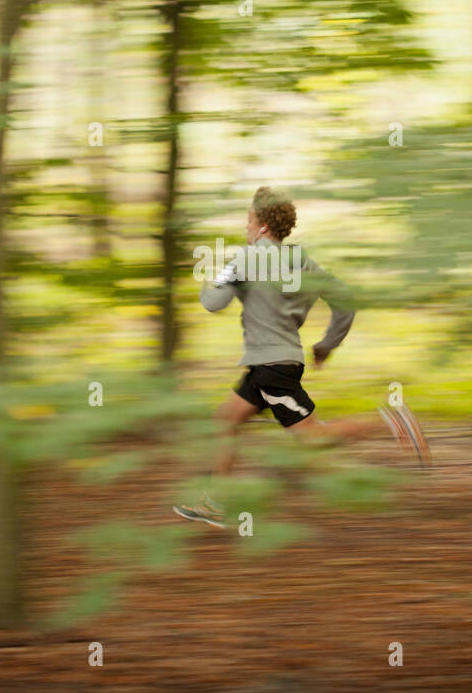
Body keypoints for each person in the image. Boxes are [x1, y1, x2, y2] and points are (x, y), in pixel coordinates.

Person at [173, 187, 430, 528]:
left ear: (262, 225)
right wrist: (327, 345)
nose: (246, 226)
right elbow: (345, 301)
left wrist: (213, 276)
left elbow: (212, 303)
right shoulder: (302, 261)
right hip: (274, 363)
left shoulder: (245, 259)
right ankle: (215, 501)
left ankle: (391, 421)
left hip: (272, 368)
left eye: (249, 219)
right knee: (225, 420)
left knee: (312, 436)